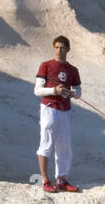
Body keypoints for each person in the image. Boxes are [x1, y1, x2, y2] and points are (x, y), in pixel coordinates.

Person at [34, 35, 81, 193]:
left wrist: (73, 93)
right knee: (46, 143)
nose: (59, 50)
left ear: (68, 49)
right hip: (49, 107)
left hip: (65, 109)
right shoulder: (45, 65)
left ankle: (61, 180)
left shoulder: (73, 70)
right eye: (56, 47)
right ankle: (45, 181)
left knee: (64, 145)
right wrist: (55, 90)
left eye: (62, 47)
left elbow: (78, 91)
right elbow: (37, 90)